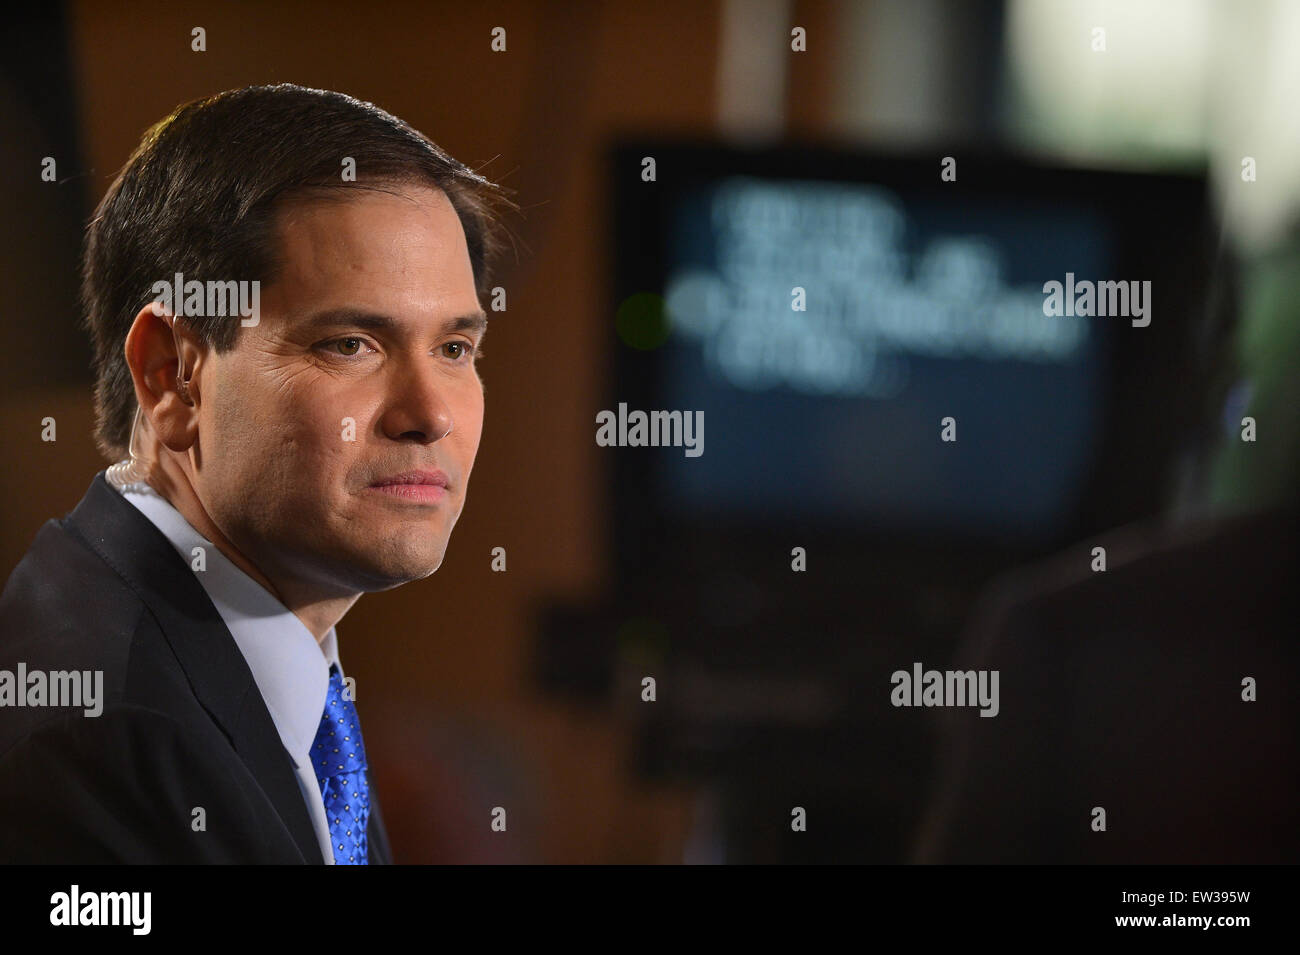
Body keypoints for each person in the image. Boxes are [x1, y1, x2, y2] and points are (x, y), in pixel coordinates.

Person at [0, 84, 514, 863]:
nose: (431, 413)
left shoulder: (275, 683)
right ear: (172, 375)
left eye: (454, 348)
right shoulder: (91, 734)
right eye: (351, 343)